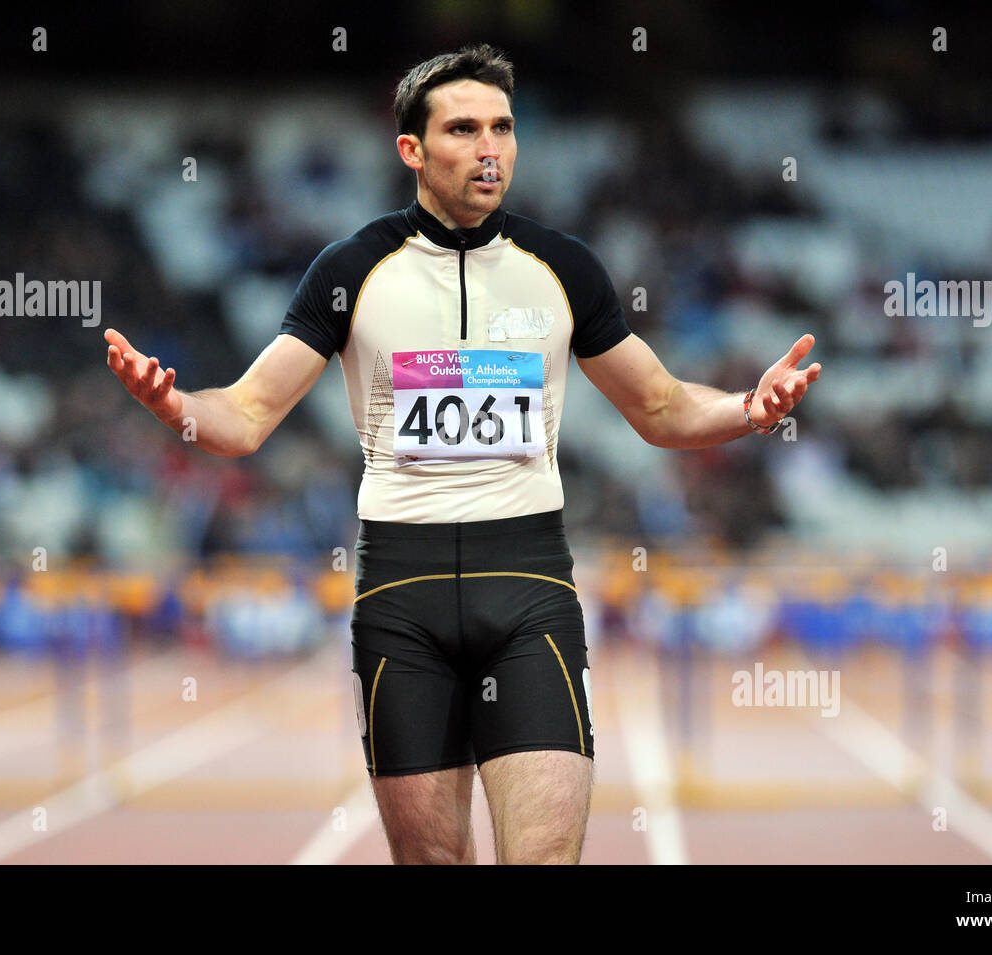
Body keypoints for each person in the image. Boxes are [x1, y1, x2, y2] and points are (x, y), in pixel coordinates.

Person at [104, 42, 821, 864]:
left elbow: (659, 406)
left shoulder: (564, 269)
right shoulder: (350, 272)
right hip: (401, 600)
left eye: (503, 128)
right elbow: (244, 417)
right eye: (465, 128)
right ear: (411, 148)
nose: (491, 148)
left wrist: (747, 408)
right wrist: (173, 405)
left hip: (528, 588)